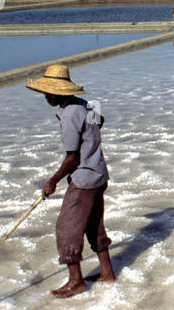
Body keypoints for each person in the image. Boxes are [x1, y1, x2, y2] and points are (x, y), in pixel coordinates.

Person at [25, 64, 115, 297]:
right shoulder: (89, 105)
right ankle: (106, 272)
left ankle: (76, 281)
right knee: (94, 224)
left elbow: (72, 158)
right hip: (99, 173)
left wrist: (52, 181)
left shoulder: (68, 115)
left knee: (66, 229)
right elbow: (101, 121)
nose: (46, 96)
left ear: (60, 92)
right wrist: (89, 136)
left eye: (49, 92)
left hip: (84, 177)